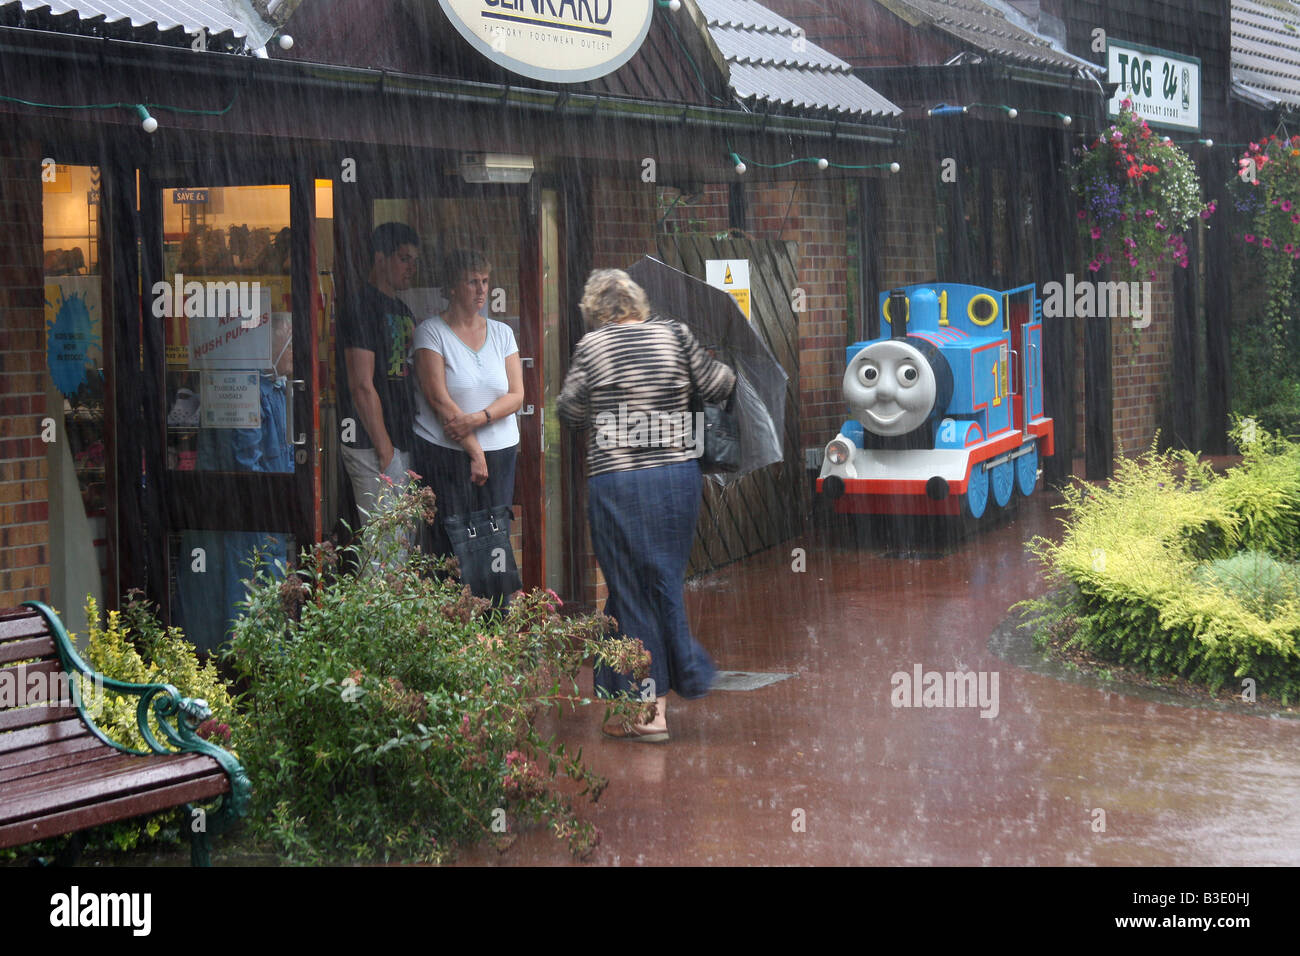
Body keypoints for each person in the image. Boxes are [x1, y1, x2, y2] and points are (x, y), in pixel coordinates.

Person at [557, 269, 736, 743]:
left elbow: (571, 412)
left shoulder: (591, 347)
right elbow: (718, 385)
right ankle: (645, 694)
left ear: (594, 311)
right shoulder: (675, 334)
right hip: (675, 478)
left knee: (631, 590)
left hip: (616, 481)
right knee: (660, 582)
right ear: (638, 302)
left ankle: (651, 709)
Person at [410, 249, 524, 567]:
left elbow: (517, 395)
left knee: (494, 539)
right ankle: (455, 613)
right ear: (452, 288)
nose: (482, 290)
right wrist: (474, 452)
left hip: (501, 453)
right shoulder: (431, 332)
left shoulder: (502, 333)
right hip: (447, 455)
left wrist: (478, 418)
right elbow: (438, 400)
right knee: (452, 541)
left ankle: (495, 612)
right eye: (473, 282)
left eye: (485, 281)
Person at [337, 222, 420, 547]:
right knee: (383, 550)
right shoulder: (361, 307)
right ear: (380, 258)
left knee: (402, 546)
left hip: (400, 441)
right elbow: (360, 384)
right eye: (404, 258)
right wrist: (384, 448)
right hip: (370, 444)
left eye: (414, 260)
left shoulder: (402, 309)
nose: (411, 267)